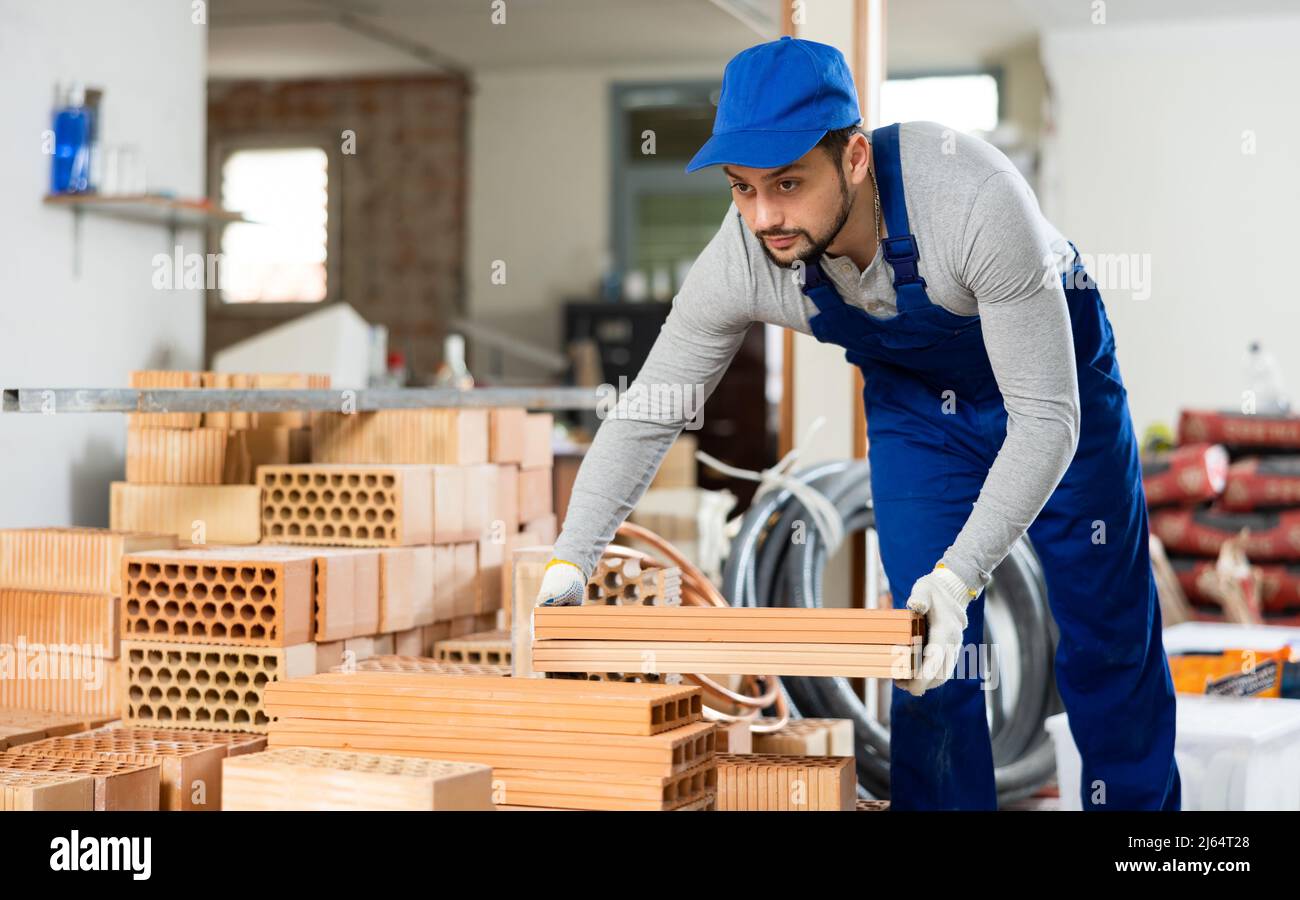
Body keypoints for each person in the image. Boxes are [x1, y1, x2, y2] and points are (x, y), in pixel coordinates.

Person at [535, 36, 1180, 811]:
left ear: (856, 158)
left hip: (1052, 385)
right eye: (741, 189)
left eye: (787, 183)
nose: (765, 216)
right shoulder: (742, 257)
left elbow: (1045, 423)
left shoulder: (974, 202)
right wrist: (570, 561)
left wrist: (961, 573)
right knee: (923, 646)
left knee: (1105, 635)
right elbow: (651, 410)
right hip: (916, 407)